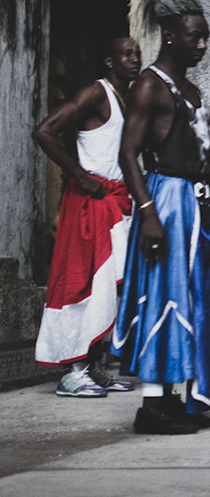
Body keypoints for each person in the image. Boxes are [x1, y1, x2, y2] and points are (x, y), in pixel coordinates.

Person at [112, 0, 210, 434]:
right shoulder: (150, 85)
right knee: (165, 295)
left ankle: (175, 397)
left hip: (199, 204)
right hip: (169, 203)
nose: (202, 45)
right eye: (195, 37)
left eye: (206, 38)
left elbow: (197, 160)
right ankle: (152, 404)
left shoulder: (190, 88)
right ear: (170, 36)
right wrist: (150, 214)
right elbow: (128, 155)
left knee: (193, 297)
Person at [32, 35, 143, 396]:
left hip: (116, 203)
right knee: (80, 283)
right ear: (109, 62)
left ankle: (94, 367)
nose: (134, 58)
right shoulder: (97, 93)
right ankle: (71, 371)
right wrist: (79, 175)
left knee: (107, 289)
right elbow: (45, 131)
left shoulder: (129, 99)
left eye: (137, 53)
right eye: (126, 54)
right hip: (90, 201)